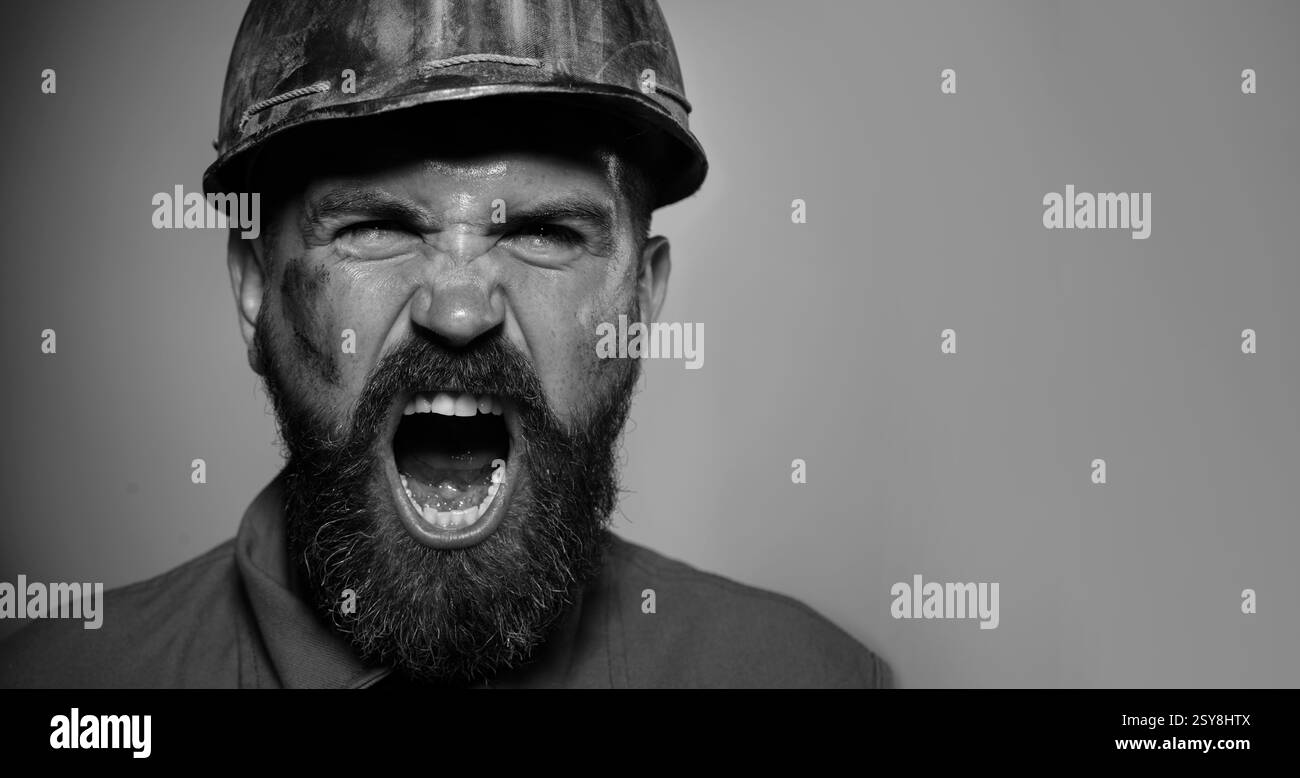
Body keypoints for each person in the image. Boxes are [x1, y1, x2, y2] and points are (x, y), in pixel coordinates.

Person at [0, 0, 891, 688]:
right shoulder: (66, 691)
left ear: (642, 299)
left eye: (544, 233)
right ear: (253, 289)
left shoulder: (803, 679)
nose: (460, 311)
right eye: (378, 227)